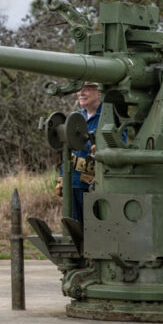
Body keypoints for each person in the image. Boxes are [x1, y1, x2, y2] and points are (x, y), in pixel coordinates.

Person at [59, 82, 101, 225]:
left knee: (94, 229)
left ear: (99, 92)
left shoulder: (109, 118)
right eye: (79, 90)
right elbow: (67, 151)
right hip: (74, 183)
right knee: (74, 228)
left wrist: (97, 147)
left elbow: (119, 145)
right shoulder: (76, 117)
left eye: (87, 89)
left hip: (95, 186)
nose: (81, 93)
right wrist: (62, 177)